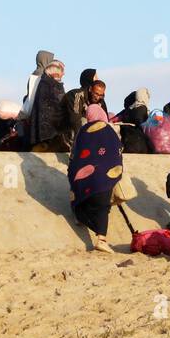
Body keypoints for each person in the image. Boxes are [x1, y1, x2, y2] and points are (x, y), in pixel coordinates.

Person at [67, 103, 123, 253]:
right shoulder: (110, 131)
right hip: (104, 178)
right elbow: (117, 151)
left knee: (81, 204)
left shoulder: (83, 131)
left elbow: (76, 155)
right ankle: (101, 240)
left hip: (85, 179)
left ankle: (79, 216)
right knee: (103, 208)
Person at [26, 59, 69, 151]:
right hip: (49, 135)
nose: (63, 74)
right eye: (62, 71)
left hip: (48, 133)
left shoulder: (47, 83)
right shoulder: (49, 85)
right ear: (55, 73)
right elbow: (53, 107)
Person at [64, 69, 106, 144]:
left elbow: (105, 120)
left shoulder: (100, 99)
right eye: (95, 79)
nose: (98, 80)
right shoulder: (77, 95)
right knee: (83, 121)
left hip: (93, 134)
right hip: (73, 133)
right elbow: (75, 119)